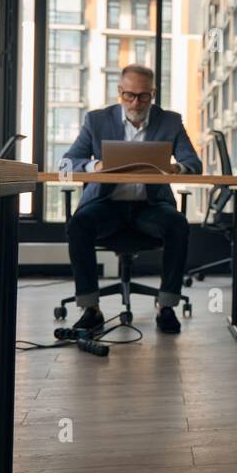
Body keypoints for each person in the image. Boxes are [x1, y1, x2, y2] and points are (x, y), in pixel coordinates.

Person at [62, 64, 201, 334]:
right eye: (129, 95)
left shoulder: (170, 121)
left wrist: (176, 168)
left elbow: (194, 163)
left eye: (143, 96)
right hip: (106, 206)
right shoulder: (96, 120)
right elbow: (67, 162)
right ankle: (91, 308)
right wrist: (95, 167)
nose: (136, 102)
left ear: (153, 93)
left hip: (149, 207)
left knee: (178, 225)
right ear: (119, 92)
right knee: (79, 224)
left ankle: (167, 305)